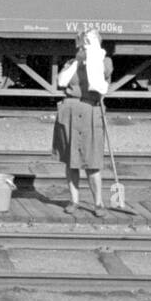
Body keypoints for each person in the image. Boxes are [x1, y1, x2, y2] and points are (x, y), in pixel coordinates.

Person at [53, 28, 113, 216]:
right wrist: (77, 62)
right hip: (69, 113)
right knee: (71, 163)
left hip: (91, 112)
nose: (83, 47)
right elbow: (61, 82)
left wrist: (92, 55)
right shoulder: (71, 63)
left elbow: (102, 76)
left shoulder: (104, 61)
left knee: (92, 163)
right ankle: (74, 201)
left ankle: (98, 203)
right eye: (81, 44)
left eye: (88, 43)